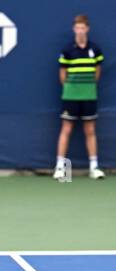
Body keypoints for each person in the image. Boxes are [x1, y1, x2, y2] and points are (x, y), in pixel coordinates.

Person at [55, 14, 105, 181]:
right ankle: (60, 168)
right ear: (74, 29)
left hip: (89, 95)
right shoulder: (67, 50)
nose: (80, 31)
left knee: (90, 130)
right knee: (66, 129)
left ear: (87, 29)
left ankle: (94, 167)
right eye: (77, 28)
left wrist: (88, 86)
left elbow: (98, 71)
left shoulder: (95, 49)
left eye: (83, 28)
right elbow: (62, 73)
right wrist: (71, 88)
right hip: (70, 96)